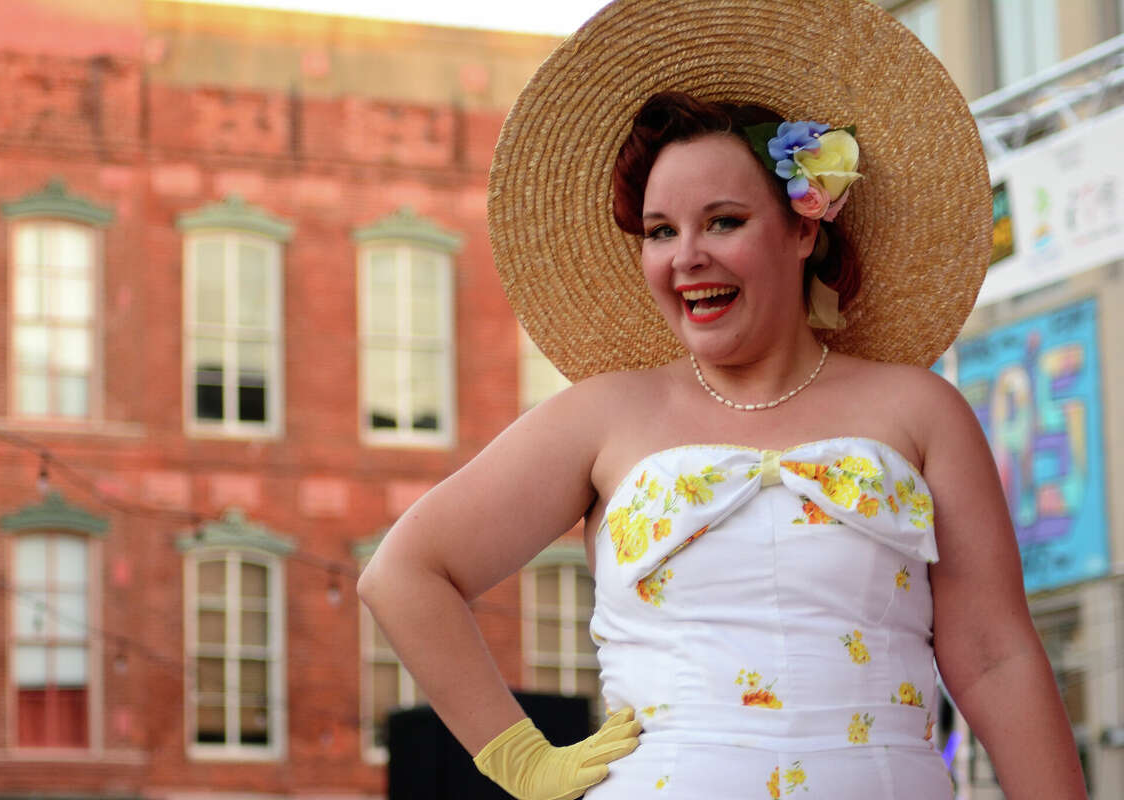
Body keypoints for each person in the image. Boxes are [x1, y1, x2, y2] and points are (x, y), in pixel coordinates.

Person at [357, 1, 1088, 798]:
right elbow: (404, 573)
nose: (687, 257)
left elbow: (995, 656)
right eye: (660, 231)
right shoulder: (602, 418)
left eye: (724, 221)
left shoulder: (921, 411)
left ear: (805, 228)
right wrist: (523, 760)